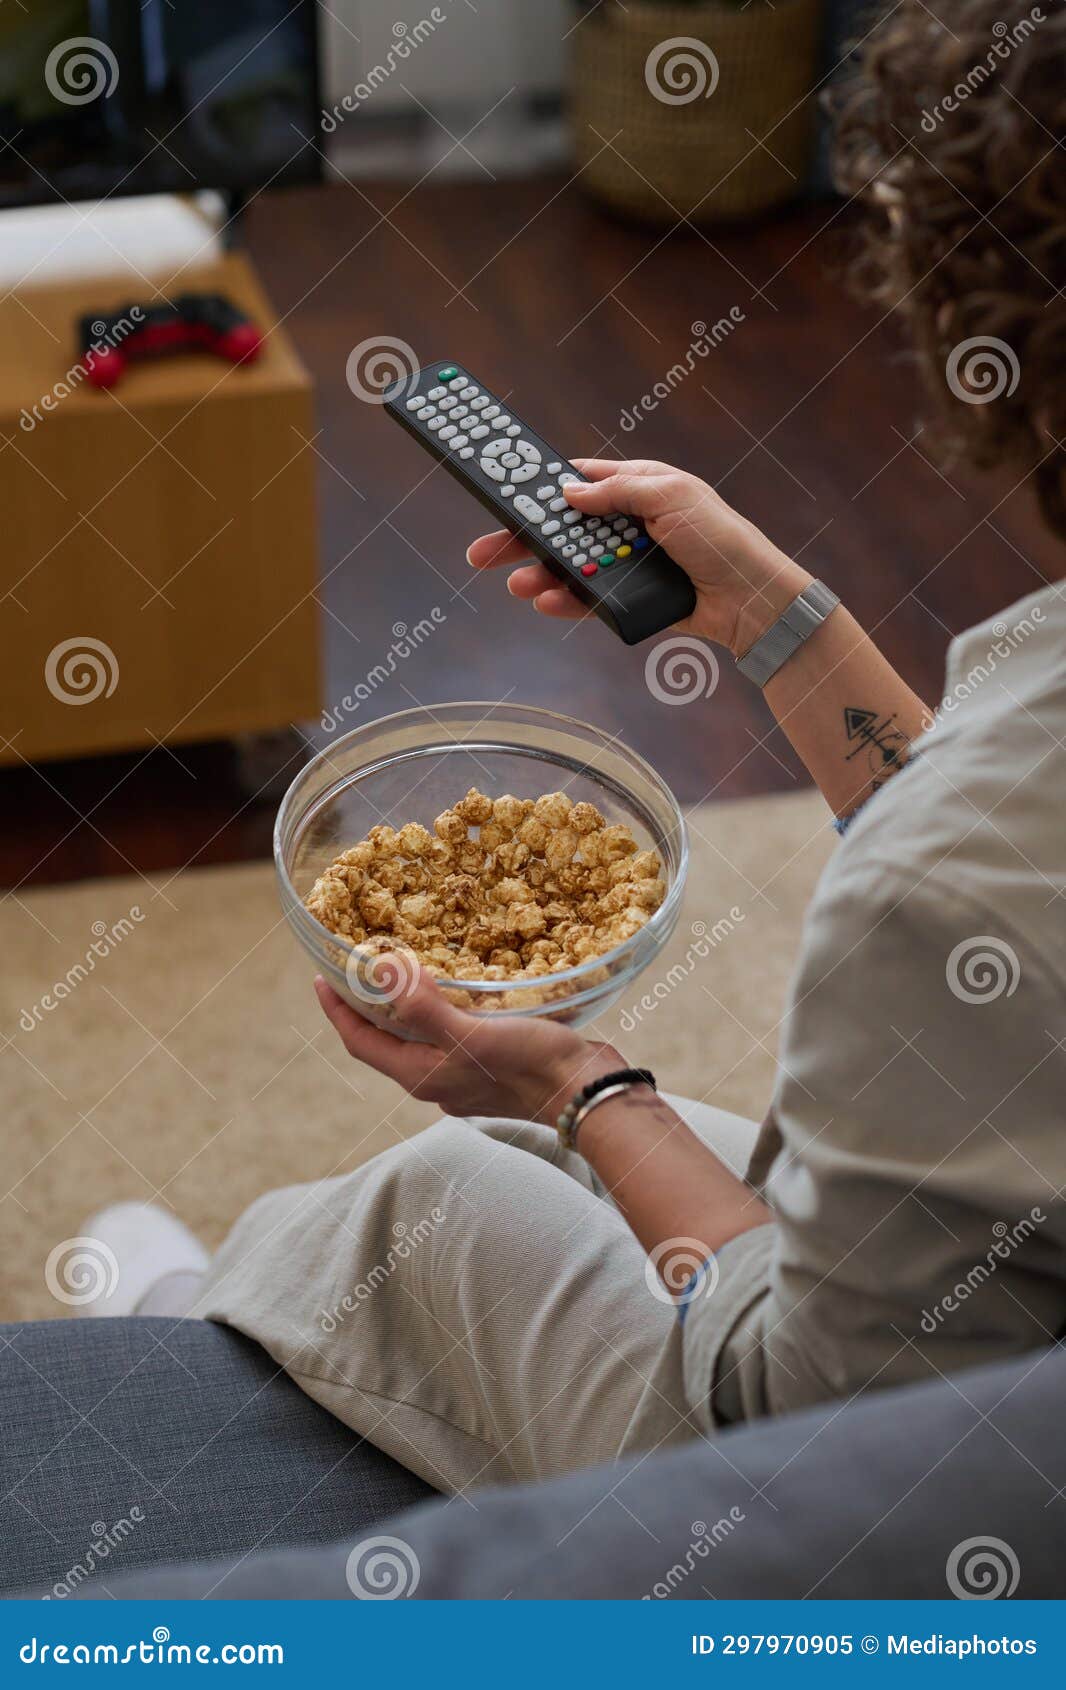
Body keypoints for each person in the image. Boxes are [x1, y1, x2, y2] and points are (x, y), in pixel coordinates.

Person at [80, 0, 1065, 1497]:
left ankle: (205, 1329)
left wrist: (581, 1084)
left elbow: (789, 1403)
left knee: (437, 1197)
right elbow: (1008, 864)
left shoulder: (938, 891)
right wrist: (758, 610)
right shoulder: (994, 821)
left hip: (916, 1512)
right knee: (601, 1165)